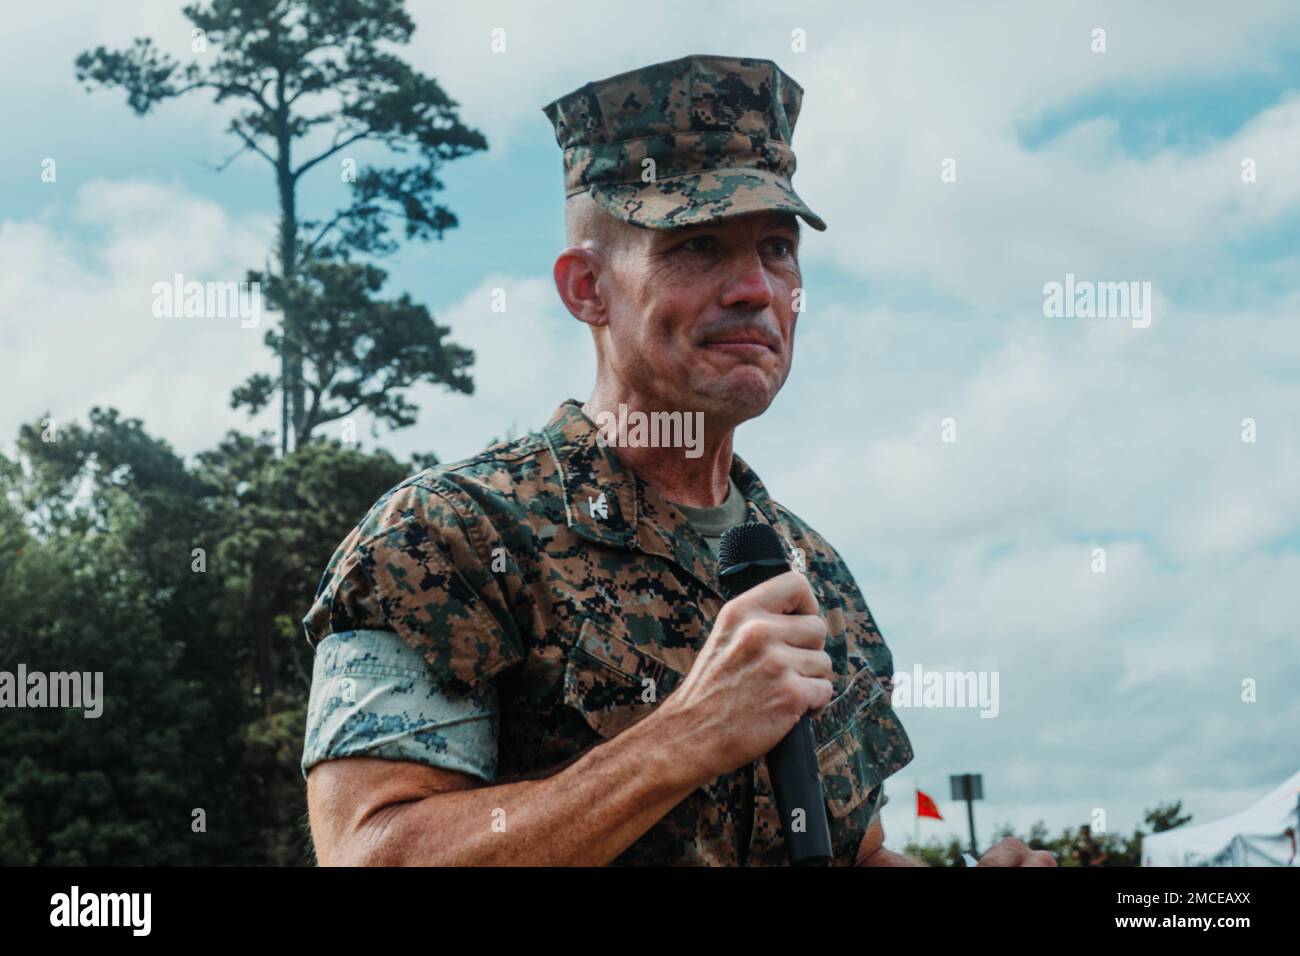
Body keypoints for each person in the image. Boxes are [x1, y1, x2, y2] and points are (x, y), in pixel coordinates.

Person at [300, 53, 1055, 868]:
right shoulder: (444, 538)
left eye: (776, 247)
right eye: (697, 246)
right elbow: (371, 855)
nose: (754, 288)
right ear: (587, 288)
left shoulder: (812, 569)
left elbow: (855, 855)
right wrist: (685, 737)